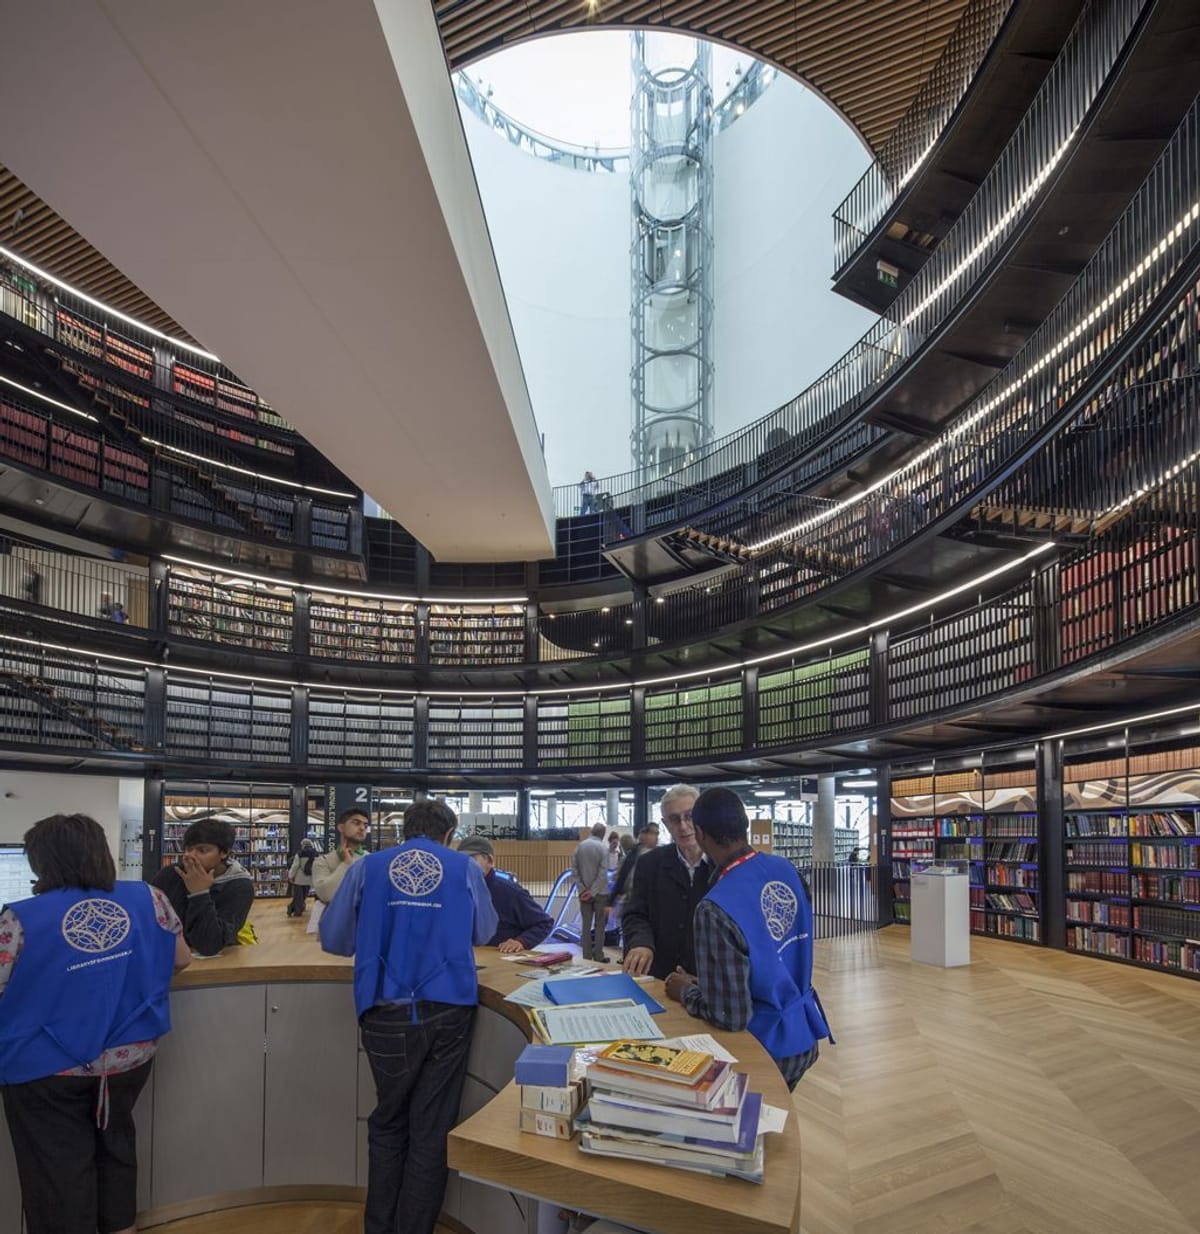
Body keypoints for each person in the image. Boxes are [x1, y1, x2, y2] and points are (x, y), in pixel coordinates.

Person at [0, 813, 190, 1234]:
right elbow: (180, 959)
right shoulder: (150, 897)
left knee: (57, 1168)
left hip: (48, 1065)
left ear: (42, 862)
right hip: (129, 1057)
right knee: (116, 1147)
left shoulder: (19, 919)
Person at [318, 799, 497, 1234]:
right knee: (431, 1126)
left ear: (403, 832)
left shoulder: (366, 867)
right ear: (449, 835)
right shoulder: (464, 868)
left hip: (384, 1009)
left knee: (389, 1121)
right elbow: (485, 931)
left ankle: (378, 1226)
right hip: (449, 1008)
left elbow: (335, 939)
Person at [664, 787, 833, 1090]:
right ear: (745, 824)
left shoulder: (715, 906)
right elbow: (769, 953)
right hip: (805, 1029)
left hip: (764, 1048)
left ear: (700, 833)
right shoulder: (786, 870)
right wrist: (708, 984)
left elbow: (731, 1015)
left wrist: (685, 991)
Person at [621, 785, 710, 979]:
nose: (683, 826)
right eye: (674, 819)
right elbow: (635, 914)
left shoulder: (721, 865)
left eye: (689, 816)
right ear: (666, 824)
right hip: (660, 976)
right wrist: (640, 943)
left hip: (708, 980)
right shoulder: (649, 863)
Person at [151, 817, 255, 955]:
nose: (191, 856)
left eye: (202, 850)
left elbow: (209, 945)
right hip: (166, 957)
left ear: (224, 853)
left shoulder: (240, 886)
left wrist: (199, 894)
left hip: (215, 966)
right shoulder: (171, 874)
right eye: (188, 849)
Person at [456, 836, 553, 953]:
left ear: (490, 861)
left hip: (500, 958)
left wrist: (521, 941)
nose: (466, 865)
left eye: (471, 859)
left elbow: (544, 923)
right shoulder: (454, 890)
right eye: (461, 860)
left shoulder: (511, 892)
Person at [571, 821, 610, 962]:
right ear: (603, 834)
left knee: (585, 925)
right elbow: (603, 872)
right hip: (601, 892)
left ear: (591, 832)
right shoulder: (603, 848)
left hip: (583, 893)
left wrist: (583, 890)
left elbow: (574, 871)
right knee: (600, 925)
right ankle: (598, 955)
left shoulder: (579, 847)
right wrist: (593, 891)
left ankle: (586, 956)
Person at [311, 808, 369, 904]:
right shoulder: (323, 861)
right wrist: (346, 864)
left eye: (365, 825)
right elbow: (326, 895)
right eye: (356, 823)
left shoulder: (371, 860)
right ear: (341, 828)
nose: (362, 828)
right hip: (335, 918)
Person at [612, 820, 659, 906]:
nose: (656, 837)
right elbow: (623, 876)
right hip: (634, 899)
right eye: (653, 833)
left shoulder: (660, 854)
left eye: (657, 834)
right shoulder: (634, 854)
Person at [286, 838, 319, 917]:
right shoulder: (315, 853)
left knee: (298, 896)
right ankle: (299, 907)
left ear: (303, 845)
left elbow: (295, 866)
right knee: (304, 894)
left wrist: (290, 876)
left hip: (300, 878)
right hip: (310, 878)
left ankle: (296, 910)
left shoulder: (300, 853)